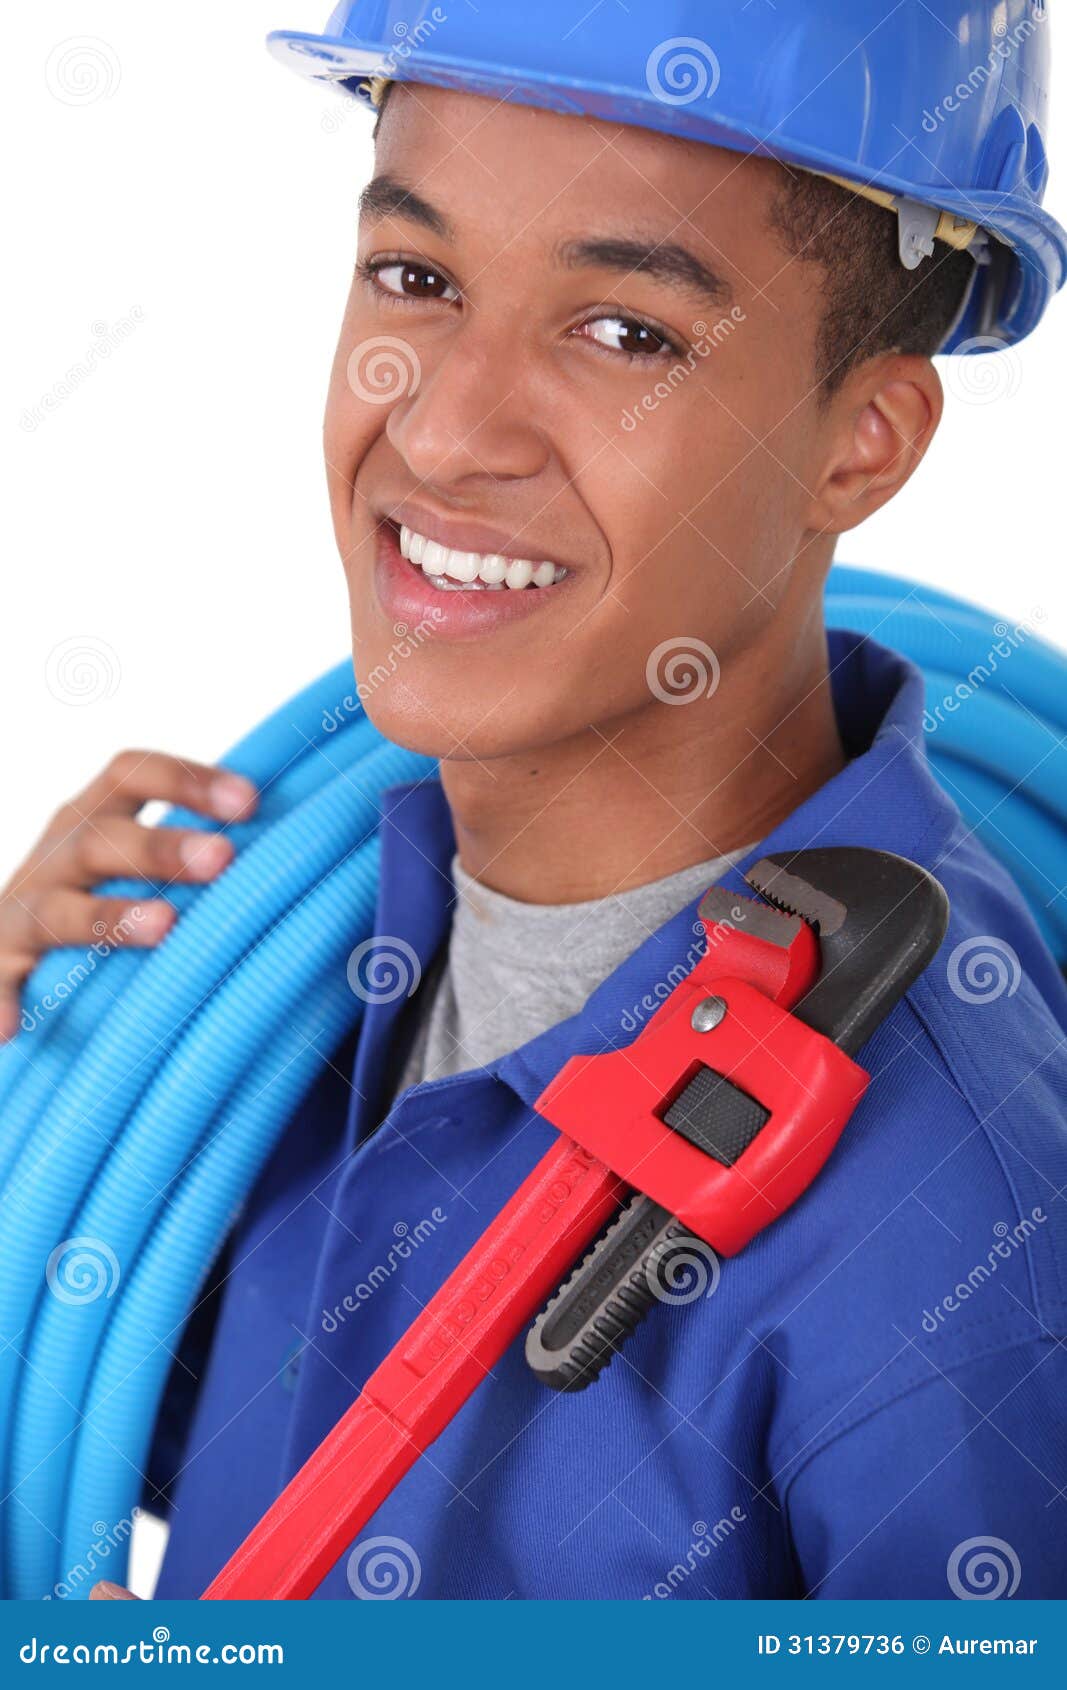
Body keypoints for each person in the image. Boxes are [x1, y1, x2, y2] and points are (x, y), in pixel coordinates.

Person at [4, 3, 1066, 1599]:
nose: (439, 430)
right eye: (418, 281)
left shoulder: (958, 1241)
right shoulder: (305, 985)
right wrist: (47, 1092)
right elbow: (266, 1483)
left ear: (864, 441)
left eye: (624, 331)